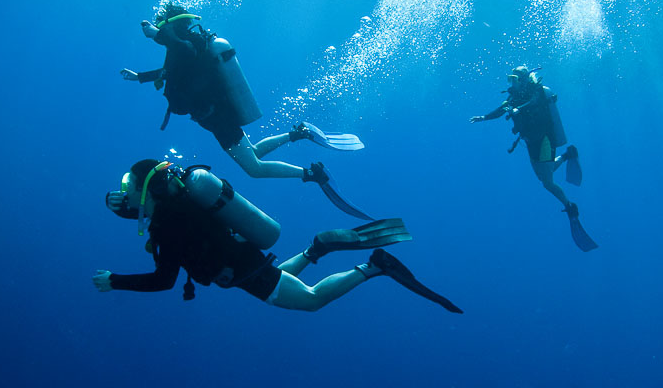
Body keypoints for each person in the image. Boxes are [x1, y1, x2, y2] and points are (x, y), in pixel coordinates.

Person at [93, 159, 462, 313]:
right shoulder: (182, 202)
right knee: (274, 276)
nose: (125, 193)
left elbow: (163, 280)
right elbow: (156, 213)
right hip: (244, 256)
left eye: (130, 188)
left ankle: (372, 265)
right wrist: (124, 207)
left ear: (148, 192)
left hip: (244, 270)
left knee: (312, 301)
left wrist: (116, 281)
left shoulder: (166, 226)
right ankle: (316, 249)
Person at [120, 4, 368, 219]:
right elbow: (169, 72)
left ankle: (312, 174)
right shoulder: (183, 47)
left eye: (163, 28)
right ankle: (297, 134)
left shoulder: (184, 45)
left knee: (254, 170)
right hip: (216, 117)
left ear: (170, 27)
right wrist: (139, 77)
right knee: (254, 152)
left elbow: (182, 54)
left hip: (217, 118)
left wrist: (157, 35)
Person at [470, 65, 597, 251]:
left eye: (515, 78)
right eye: (510, 79)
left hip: (545, 140)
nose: (512, 82)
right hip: (531, 141)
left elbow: (534, 103)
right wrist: (484, 117)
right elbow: (501, 109)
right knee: (542, 175)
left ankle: (570, 206)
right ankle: (568, 155)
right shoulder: (514, 96)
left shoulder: (536, 92)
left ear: (523, 79)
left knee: (547, 182)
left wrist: (518, 110)